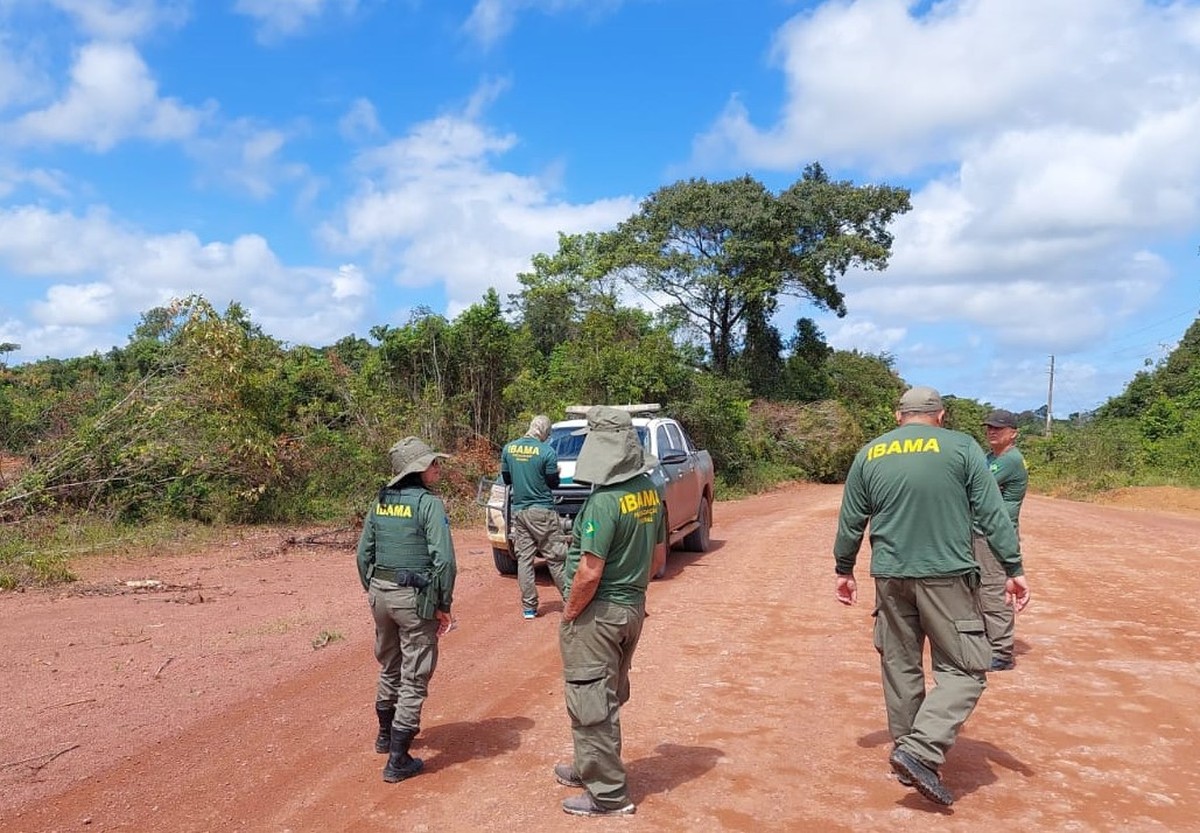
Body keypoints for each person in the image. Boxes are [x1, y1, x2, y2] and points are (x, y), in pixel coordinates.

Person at [832, 386, 1031, 807]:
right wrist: (1012, 568)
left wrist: (843, 569)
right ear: (940, 416)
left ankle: (907, 752)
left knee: (900, 664)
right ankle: (920, 752)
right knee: (966, 668)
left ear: (898, 416)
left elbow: (851, 519)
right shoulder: (962, 448)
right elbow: (992, 512)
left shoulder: (870, 452)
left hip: (889, 576)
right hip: (947, 574)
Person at [553, 406, 666, 817]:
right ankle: (589, 766)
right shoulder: (648, 490)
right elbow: (657, 557)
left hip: (599, 613)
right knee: (605, 695)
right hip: (631, 606)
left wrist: (570, 613)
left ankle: (608, 794)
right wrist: (631, 593)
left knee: (590, 701)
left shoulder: (604, 501)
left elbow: (589, 571)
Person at [356, 436, 457, 784]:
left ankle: (385, 737)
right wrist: (443, 605)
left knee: (390, 665)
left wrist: (373, 590)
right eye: (432, 463)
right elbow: (445, 561)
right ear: (417, 469)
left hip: (380, 594)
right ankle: (397, 760)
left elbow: (363, 555)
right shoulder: (429, 504)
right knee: (415, 675)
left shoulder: (381, 501)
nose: (437, 467)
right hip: (414, 599)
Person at [973, 409, 1028, 671]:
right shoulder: (990, 458)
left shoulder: (1010, 460)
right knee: (978, 589)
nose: (992, 431)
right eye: (989, 427)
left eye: (998, 428)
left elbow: (975, 486)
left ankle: (1001, 652)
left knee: (994, 590)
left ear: (1013, 433)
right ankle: (989, 644)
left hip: (996, 534)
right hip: (981, 530)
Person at [501, 415, 567, 618]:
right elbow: (553, 483)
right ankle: (571, 601)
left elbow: (507, 479)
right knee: (556, 558)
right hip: (543, 511)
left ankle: (529, 607)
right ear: (545, 432)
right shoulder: (547, 452)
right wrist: (556, 472)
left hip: (520, 511)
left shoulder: (509, 449)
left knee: (524, 559)